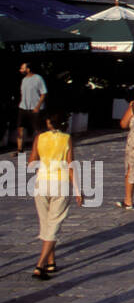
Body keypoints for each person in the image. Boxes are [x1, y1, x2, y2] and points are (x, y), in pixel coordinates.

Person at [30, 111, 83, 279]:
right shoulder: (66, 139)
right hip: (60, 183)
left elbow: (32, 162)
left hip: (42, 182)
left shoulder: (39, 138)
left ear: (47, 123)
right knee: (54, 224)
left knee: (46, 224)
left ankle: (51, 262)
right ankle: (40, 265)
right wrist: (77, 189)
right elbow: (71, 165)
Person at [16, 62, 47, 156]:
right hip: (23, 107)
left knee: (38, 130)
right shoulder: (24, 80)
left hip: (35, 108)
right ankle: (20, 150)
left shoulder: (38, 78)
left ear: (28, 69)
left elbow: (44, 93)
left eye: (22, 68)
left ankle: (40, 149)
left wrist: (38, 106)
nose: (20, 70)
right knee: (20, 128)